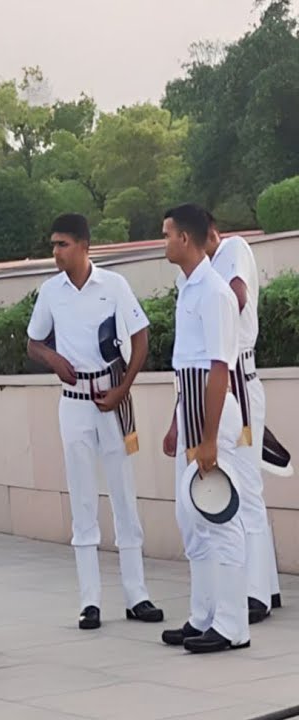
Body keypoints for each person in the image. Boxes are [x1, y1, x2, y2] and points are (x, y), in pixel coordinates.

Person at [25, 213, 164, 631]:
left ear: (84, 245)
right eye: (53, 245)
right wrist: (53, 359)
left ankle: (136, 593)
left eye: (62, 244)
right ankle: (90, 600)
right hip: (74, 400)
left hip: (112, 396)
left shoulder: (114, 286)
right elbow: (33, 343)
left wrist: (124, 388)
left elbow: (140, 337)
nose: (56, 252)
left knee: (124, 493)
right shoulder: (51, 292)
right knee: (83, 498)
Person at [158, 204, 250, 654]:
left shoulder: (214, 291)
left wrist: (209, 437)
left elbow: (218, 369)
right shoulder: (188, 287)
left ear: (186, 240)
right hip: (191, 409)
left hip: (211, 414)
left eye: (167, 234)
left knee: (221, 520)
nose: (164, 242)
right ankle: (203, 616)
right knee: (192, 521)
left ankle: (233, 626)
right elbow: (186, 367)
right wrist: (179, 424)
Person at [206, 214, 282, 620]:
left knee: (248, 490)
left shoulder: (232, 248)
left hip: (241, 377)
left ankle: (256, 596)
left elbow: (236, 295)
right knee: (240, 486)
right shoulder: (199, 273)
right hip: (222, 383)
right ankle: (265, 584)